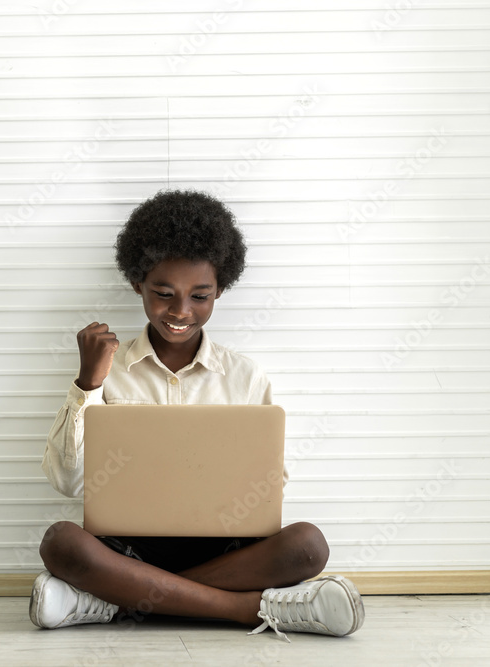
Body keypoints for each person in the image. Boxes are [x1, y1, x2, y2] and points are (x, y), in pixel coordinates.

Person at [29, 190, 364, 642]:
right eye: (163, 293)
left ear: (220, 289)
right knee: (61, 543)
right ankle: (247, 608)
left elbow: (268, 486)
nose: (181, 311)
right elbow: (67, 481)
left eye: (200, 295)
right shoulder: (107, 370)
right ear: (137, 284)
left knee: (307, 545)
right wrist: (87, 383)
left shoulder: (245, 376)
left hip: (224, 548)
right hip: (128, 550)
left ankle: (109, 601)